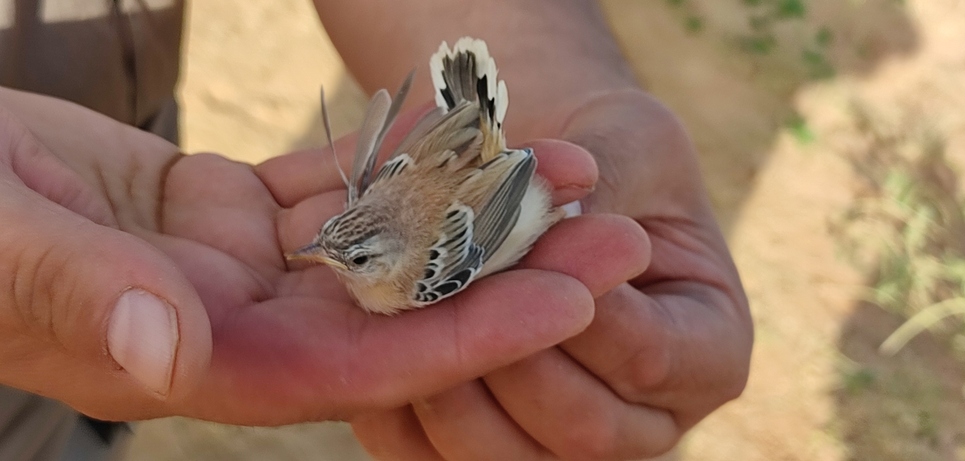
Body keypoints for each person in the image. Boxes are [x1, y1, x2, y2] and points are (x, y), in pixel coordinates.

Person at [0, 1, 752, 459]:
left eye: (351, 254)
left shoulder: (417, 274)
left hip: (491, 181)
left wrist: (553, 121)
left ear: (386, 257)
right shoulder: (386, 256)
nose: (333, 263)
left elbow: (490, 211)